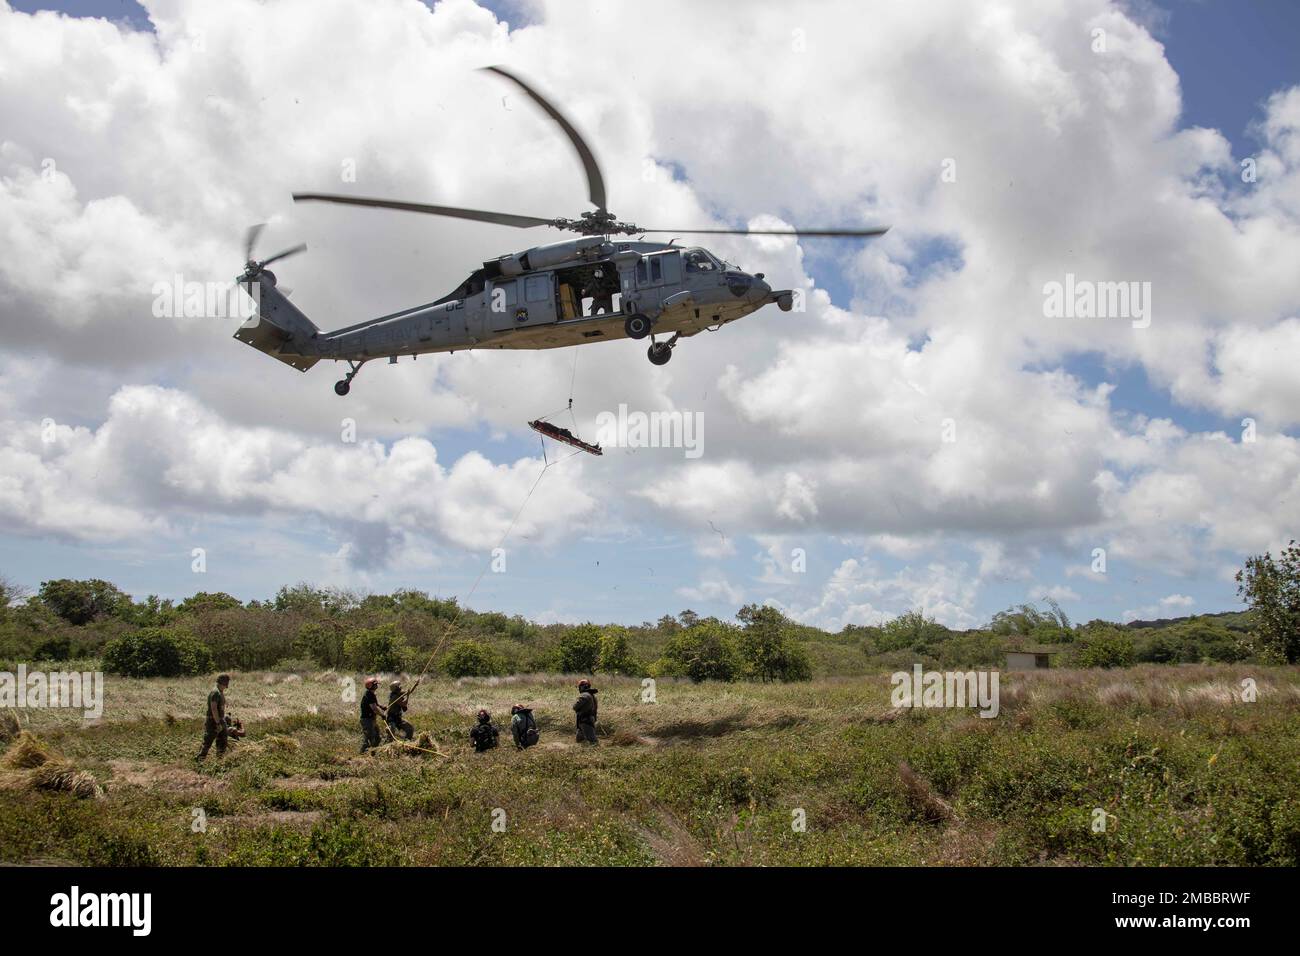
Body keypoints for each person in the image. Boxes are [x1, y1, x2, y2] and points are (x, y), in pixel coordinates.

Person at [197, 674, 231, 760]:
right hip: (213, 721)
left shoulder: (219, 692)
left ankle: (219, 760)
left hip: (220, 720)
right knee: (208, 741)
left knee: (223, 740)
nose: (226, 686)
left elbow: (220, 702)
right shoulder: (215, 692)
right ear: (222, 683)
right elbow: (213, 708)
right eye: (226, 684)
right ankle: (199, 760)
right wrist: (218, 723)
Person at [359, 676, 387, 753]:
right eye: (375, 684)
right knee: (369, 738)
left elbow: (375, 704)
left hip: (371, 719)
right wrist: (382, 715)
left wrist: (382, 707)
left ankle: (373, 753)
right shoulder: (369, 695)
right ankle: (362, 754)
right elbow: (374, 709)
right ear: (371, 686)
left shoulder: (371, 694)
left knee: (377, 737)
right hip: (367, 720)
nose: (377, 685)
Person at [572, 679, 598, 744]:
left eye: (579, 687)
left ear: (582, 687)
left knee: (593, 742)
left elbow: (575, 707)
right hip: (588, 719)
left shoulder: (584, 695)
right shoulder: (592, 695)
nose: (579, 689)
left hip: (585, 720)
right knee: (580, 741)